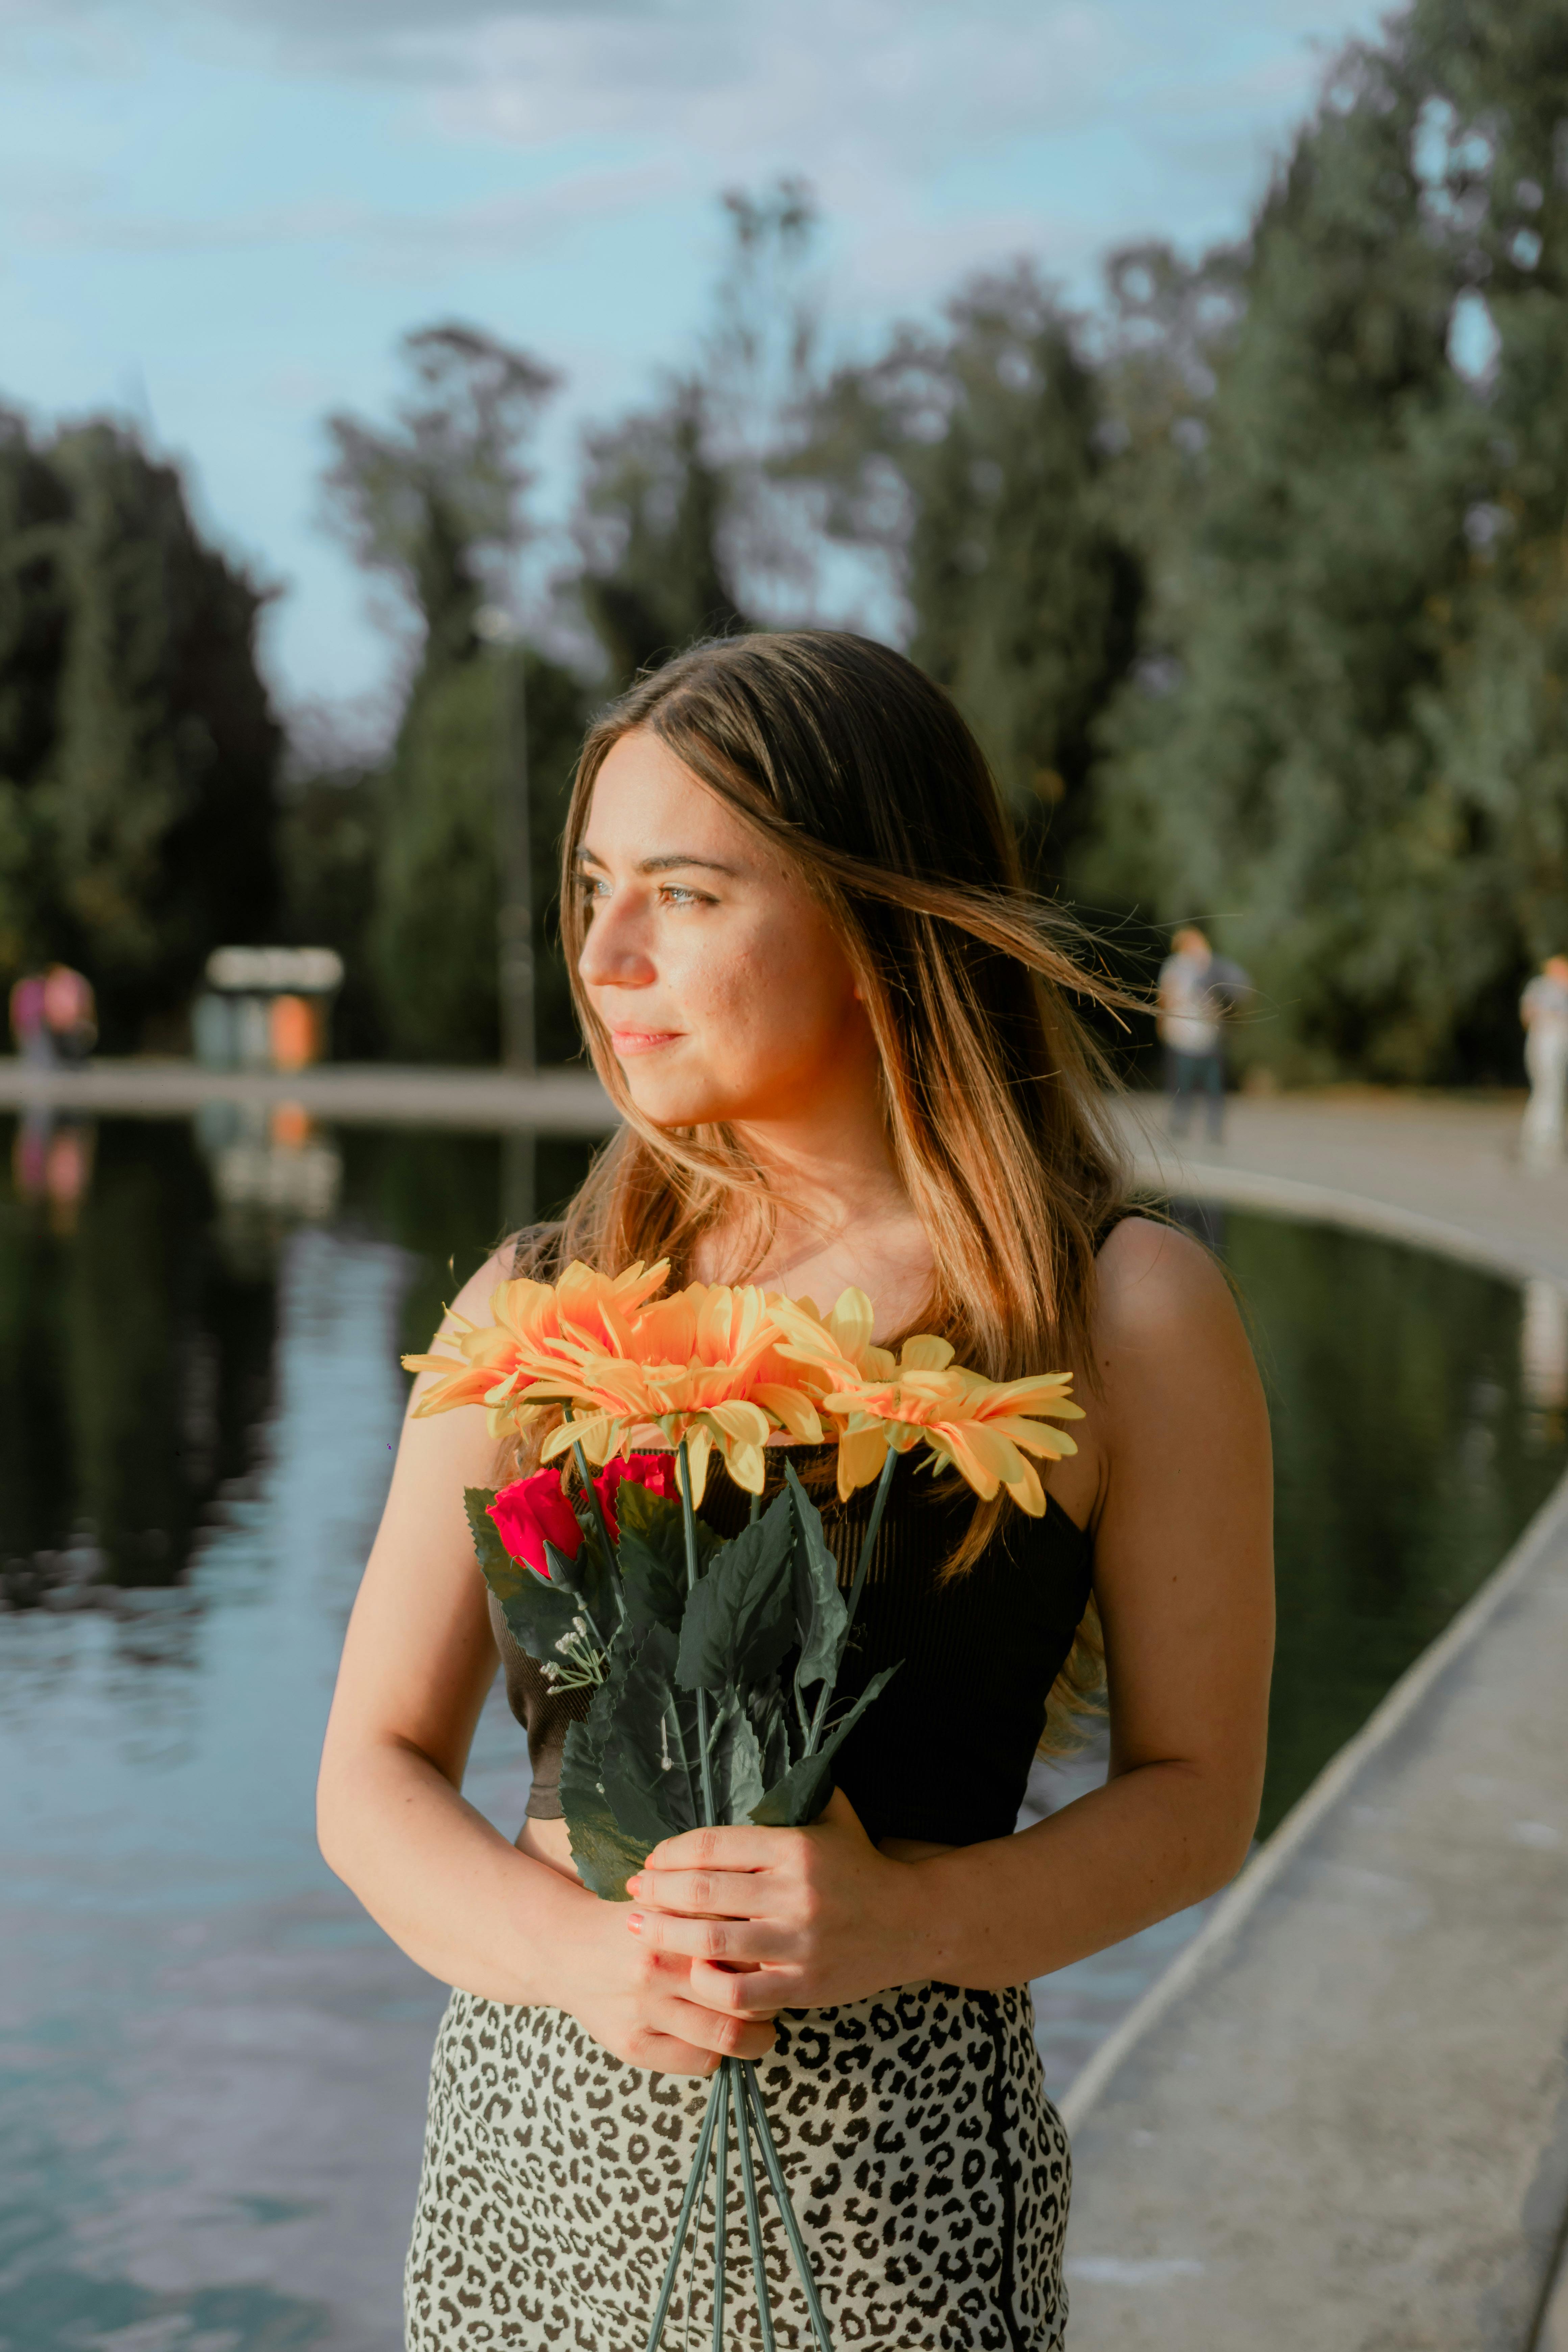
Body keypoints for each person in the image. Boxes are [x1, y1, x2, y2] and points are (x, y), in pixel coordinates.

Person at [317, 633, 1274, 2350]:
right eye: (597, 885)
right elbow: (368, 1778)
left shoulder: (1115, 1312)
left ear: (873, 926)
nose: (605, 956)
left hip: (888, 2186)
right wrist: (582, 1962)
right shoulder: (538, 1309)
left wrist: (914, 1917)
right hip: (529, 2156)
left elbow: (1198, 1799)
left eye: (682, 894)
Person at [1157, 925, 1250, 1144]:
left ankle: (1214, 1127)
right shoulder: (1176, 967)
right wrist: (1163, 1022)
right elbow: (1166, 997)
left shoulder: (1214, 965)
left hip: (1210, 1035)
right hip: (1183, 1034)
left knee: (1213, 1085)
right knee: (1183, 1082)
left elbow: (1238, 989)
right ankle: (1180, 1122)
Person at [1520, 953, 1568, 1172]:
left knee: (1554, 1088)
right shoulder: (1542, 986)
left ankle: (1547, 1133)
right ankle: (1542, 1134)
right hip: (1545, 1038)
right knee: (1548, 1086)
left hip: (1559, 1039)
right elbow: (1529, 1013)